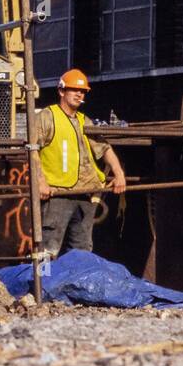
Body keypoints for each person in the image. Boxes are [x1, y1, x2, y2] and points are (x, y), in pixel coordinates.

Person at [35, 69, 128, 256]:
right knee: (47, 250)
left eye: (83, 91)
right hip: (57, 194)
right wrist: (40, 181)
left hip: (84, 194)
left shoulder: (84, 120)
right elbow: (32, 150)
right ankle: (41, 284)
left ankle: (75, 285)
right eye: (74, 90)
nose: (79, 94)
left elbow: (104, 149)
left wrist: (119, 174)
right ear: (61, 91)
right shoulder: (47, 116)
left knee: (82, 252)